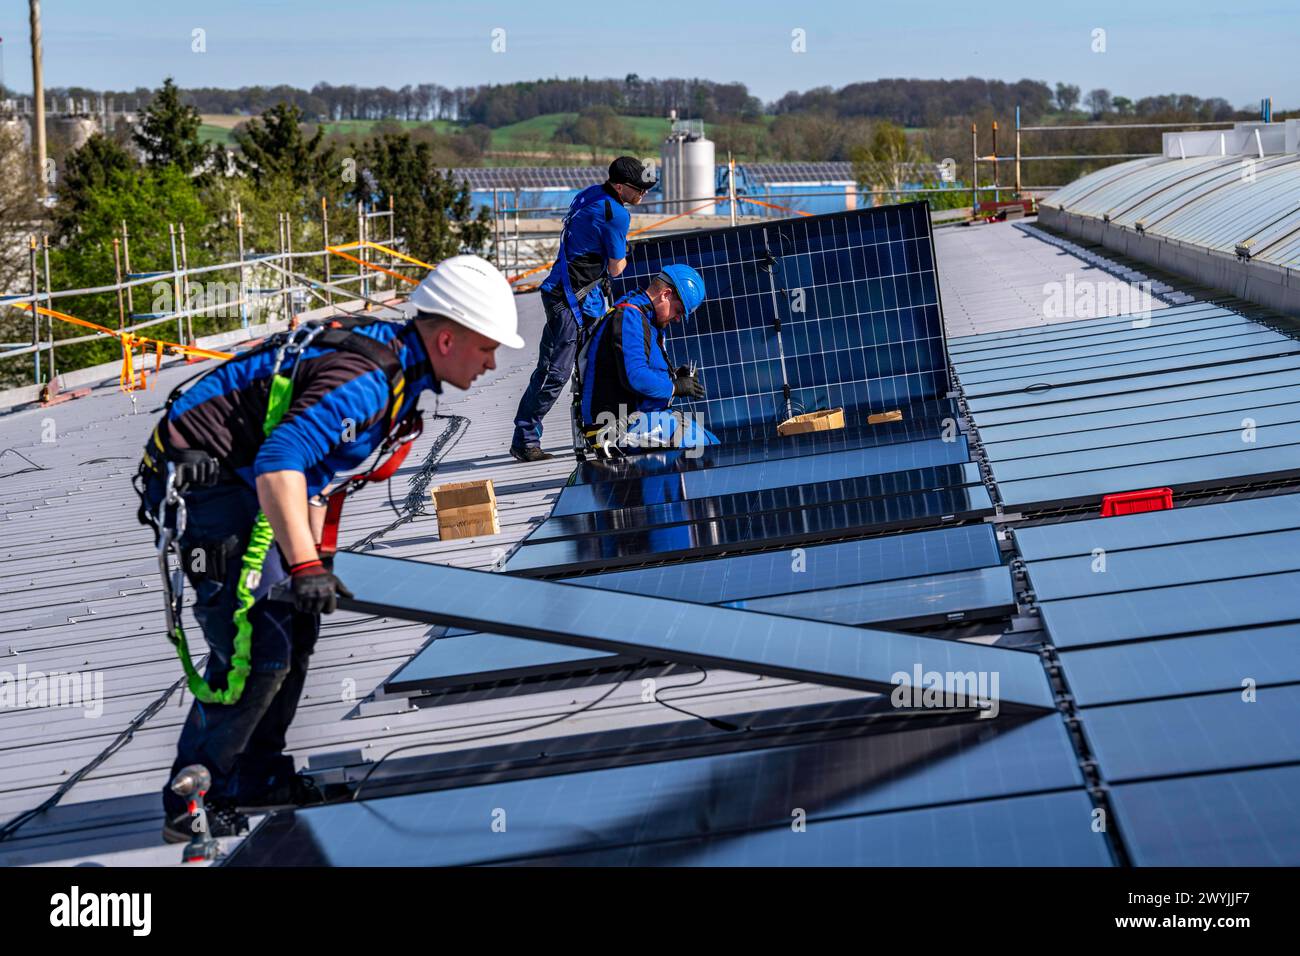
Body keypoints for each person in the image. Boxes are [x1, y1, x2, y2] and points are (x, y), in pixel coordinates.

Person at [134, 255, 523, 843]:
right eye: (488, 349)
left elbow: (314, 476)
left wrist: (312, 564)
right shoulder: (366, 381)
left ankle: (256, 776)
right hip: (208, 485)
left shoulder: (401, 374)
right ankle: (193, 798)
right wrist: (306, 563)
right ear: (447, 339)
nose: (492, 363)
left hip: (241, 482)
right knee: (254, 642)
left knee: (294, 625)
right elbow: (280, 463)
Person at [509, 156, 657, 462]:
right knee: (556, 372)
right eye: (638, 189)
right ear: (619, 186)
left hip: (577, 296)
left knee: (596, 367)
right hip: (570, 300)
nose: (642, 195)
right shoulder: (615, 213)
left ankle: (601, 431)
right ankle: (524, 439)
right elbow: (617, 269)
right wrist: (624, 254)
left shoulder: (590, 193)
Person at [577, 263, 717, 451]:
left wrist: (674, 375)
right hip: (615, 427)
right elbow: (636, 377)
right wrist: (675, 387)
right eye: (679, 311)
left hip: (639, 420)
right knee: (699, 448)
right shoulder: (629, 317)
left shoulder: (645, 319)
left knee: (710, 443)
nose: (677, 319)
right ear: (666, 294)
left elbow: (629, 372)